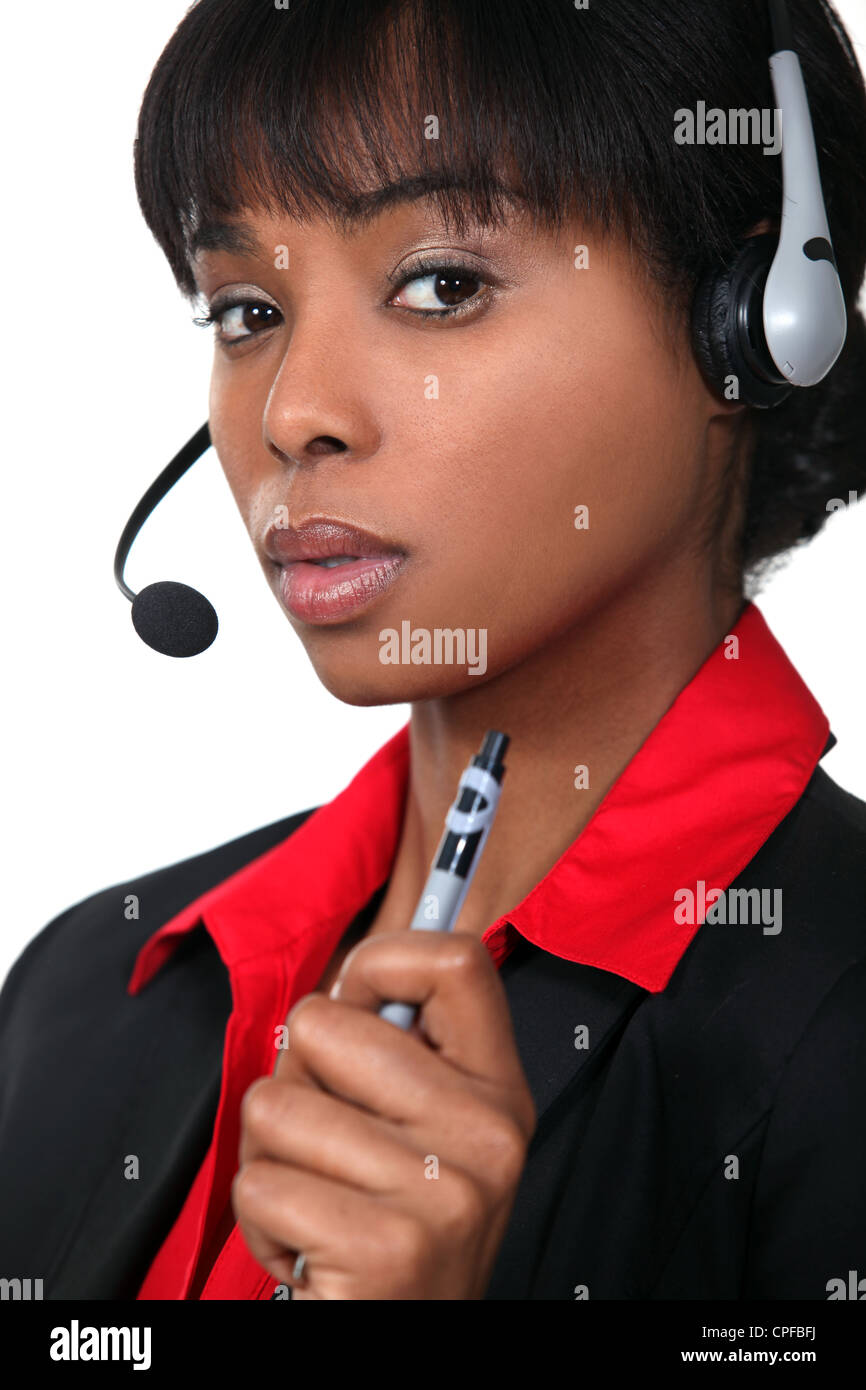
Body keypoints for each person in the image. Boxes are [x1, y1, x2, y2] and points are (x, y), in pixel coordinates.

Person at [1, 0, 865, 1301]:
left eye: (439, 284)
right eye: (243, 310)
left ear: (751, 324)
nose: (294, 412)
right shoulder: (88, 981)